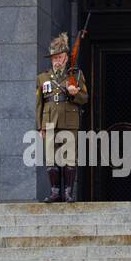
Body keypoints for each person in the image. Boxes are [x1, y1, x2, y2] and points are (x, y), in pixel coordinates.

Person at [35, 32, 88, 202]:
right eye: (53, 58)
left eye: (59, 57)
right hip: (49, 121)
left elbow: (85, 98)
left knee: (69, 158)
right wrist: (39, 126)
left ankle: (67, 193)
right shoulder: (42, 77)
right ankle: (55, 192)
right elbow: (39, 103)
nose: (56, 61)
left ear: (66, 57)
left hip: (69, 121)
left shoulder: (76, 75)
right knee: (51, 158)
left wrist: (74, 93)